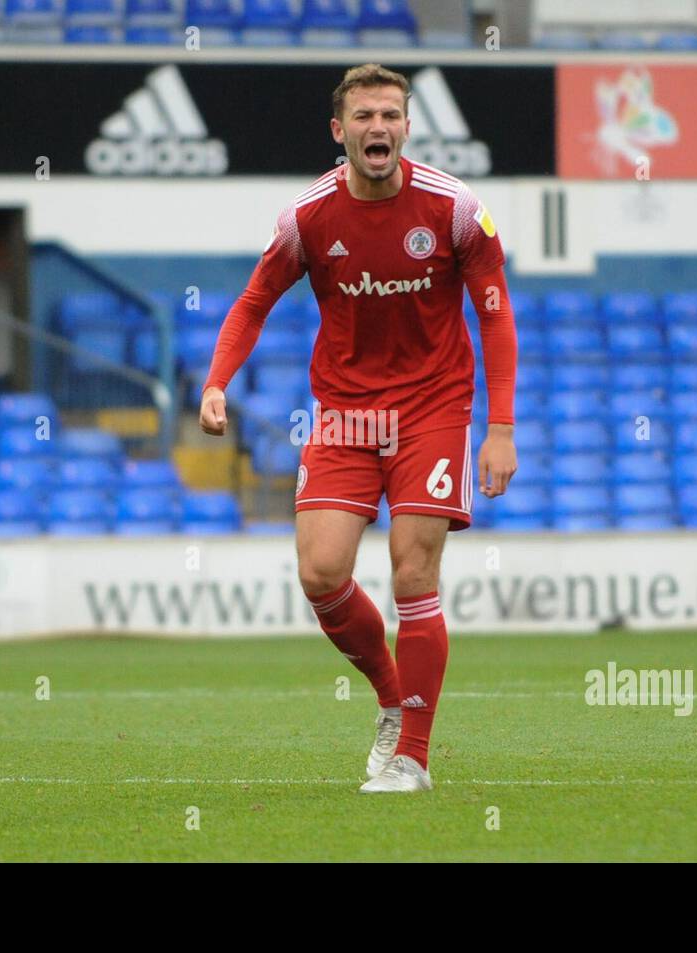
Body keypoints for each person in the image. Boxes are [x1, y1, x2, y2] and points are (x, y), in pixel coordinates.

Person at [200, 63, 518, 793]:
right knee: (320, 572)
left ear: (407, 126)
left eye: (392, 115)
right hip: (343, 413)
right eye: (365, 116)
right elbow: (253, 302)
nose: (380, 127)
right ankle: (388, 694)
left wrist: (499, 426)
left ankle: (413, 753)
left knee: (413, 569)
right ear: (339, 131)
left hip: (433, 409)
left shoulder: (455, 209)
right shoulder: (307, 217)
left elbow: (496, 317)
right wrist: (218, 379)